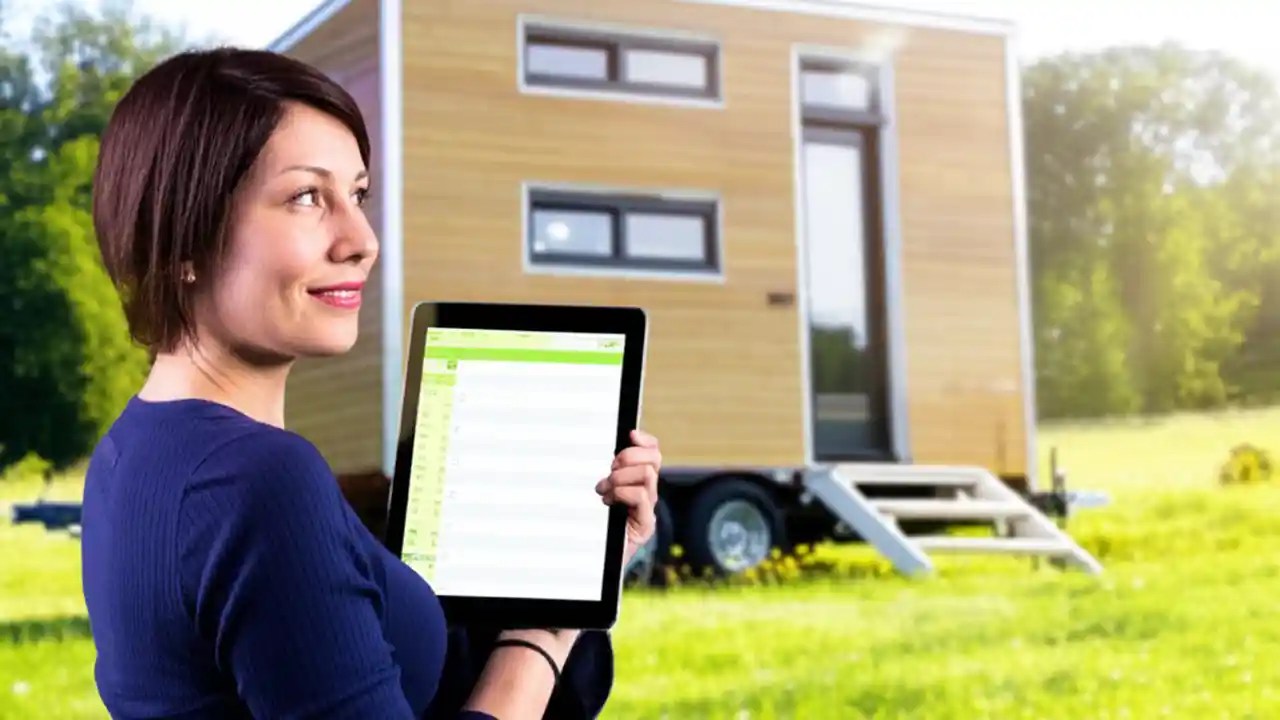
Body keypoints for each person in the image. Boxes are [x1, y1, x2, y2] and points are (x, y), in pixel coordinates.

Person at [80, 46, 662, 720]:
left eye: (357, 195)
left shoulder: (128, 453)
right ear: (183, 239)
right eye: (305, 197)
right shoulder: (263, 478)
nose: (362, 239)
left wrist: (574, 562)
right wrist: (548, 632)